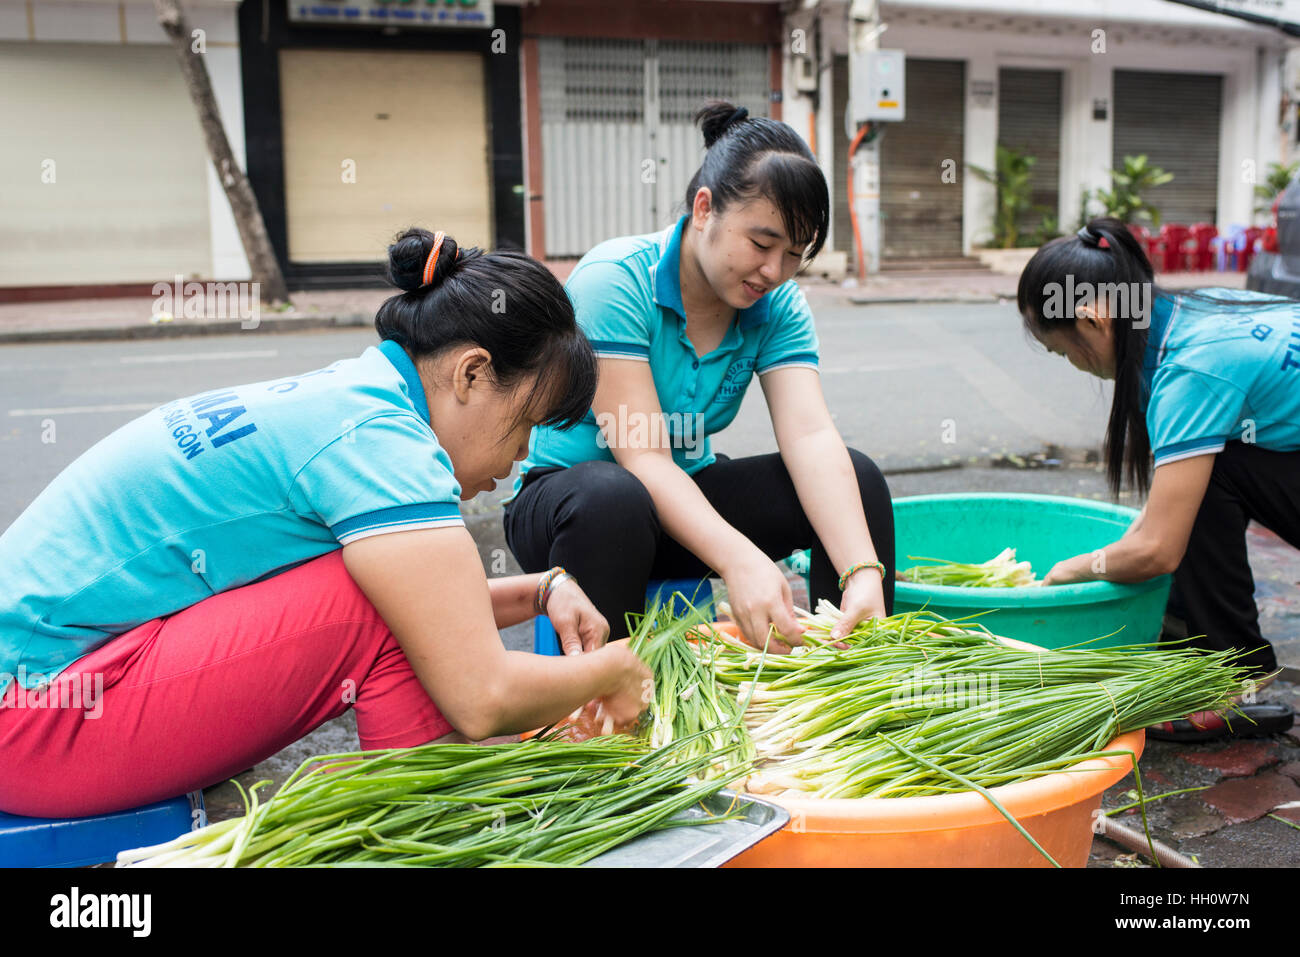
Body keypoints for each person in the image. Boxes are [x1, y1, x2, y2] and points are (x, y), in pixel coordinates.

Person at [0, 228, 651, 818]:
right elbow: (479, 691)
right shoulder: (385, 444)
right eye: (526, 426)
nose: (519, 461)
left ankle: (440, 818)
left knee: (382, 603)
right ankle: (430, 835)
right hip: (36, 719)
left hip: (50, 691)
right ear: (472, 374)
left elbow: (425, 606)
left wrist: (541, 588)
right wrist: (615, 670)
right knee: (377, 616)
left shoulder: (352, 397)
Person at [505, 102, 895, 652]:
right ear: (705, 208)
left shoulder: (778, 304)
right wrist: (742, 560)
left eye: (794, 255)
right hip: (575, 512)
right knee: (613, 495)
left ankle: (851, 679)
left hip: (682, 508)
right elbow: (642, 457)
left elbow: (809, 436)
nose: (774, 271)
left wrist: (862, 571)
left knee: (859, 479)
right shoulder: (615, 281)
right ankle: (608, 714)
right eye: (761, 244)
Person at [1018, 217, 1298, 738]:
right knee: (1210, 471)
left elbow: (1160, 549)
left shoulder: (1192, 370)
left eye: (1063, 351)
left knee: (1218, 473)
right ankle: (1187, 641)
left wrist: (1066, 572)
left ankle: (1234, 679)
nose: (1072, 365)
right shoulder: (1189, 311)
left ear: (1095, 319)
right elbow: (1161, 519)